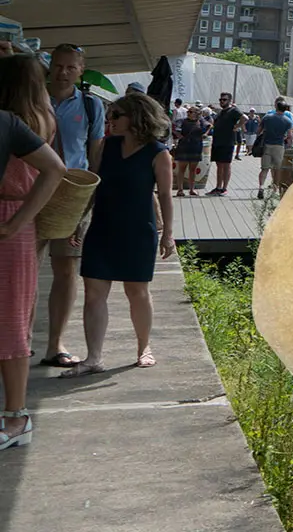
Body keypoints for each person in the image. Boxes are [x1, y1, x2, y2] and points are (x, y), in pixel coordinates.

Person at [63, 94, 173, 376]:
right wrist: (79, 219)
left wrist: (168, 235)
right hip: (102, 227)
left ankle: (144, 347)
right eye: (109, 115)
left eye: (116, 115)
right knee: (93, 293)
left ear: (136, 117)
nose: (109, 120)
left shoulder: (158, 153)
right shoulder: (106, 146)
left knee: (136, 292)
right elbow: (93, 185)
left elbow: (165, 195)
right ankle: (93, 358)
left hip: (138, 230)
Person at [0, 56, 71, 450]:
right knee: (15, 314)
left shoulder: (16, 122)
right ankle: (14, 413)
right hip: (21, 218)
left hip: (10, 214)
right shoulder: (41, 117)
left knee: (11, 319)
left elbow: (53, 169)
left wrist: (15, 221)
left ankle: (16, 416)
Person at [41, 44, 102, 370]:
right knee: (20, 269)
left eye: (70, 67)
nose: (63, 72)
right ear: (49, 66)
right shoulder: (32, 98)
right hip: (30, 190)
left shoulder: (91, 106)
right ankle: (16, 338)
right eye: (58, 65)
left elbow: (95, 154)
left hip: (71, 195)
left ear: (80, 71)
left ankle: (55, 345)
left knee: (66, 270)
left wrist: (88, 202)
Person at [255, 100, 293, 196]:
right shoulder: (288, 121)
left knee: (264, 169)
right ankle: (275, 190)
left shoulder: (267, 117)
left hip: (266, 145)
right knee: (277, 169)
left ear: (276, 107)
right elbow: (290, 136)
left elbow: (258, 131)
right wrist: (289, 145)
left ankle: (261, 187)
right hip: (279, 146)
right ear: (285, 109)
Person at [205, 92, 242, 195]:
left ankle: (224, 188)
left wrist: (237, 126)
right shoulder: (221, 112)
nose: (222, 101)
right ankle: (218, 187)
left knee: (226, 165)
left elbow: (245, 118)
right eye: (220, 99)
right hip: (217, 141)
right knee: (219, 165)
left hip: (227, 142)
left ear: (229, 101)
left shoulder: (233, 110)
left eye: (224, 99)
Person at [170, 105, 208, 196]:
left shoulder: (201, 121)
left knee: (193, 169)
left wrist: (205, 134)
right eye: (188, 111)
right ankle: (180, 190)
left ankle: (192, 189)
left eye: (190, 112)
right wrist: (179, 135)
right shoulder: (182, 121)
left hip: (196, 146)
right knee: (181, 169)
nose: (188, 113)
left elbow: (210, 125)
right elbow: (173, 127)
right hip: (184, 146)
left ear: (197, 113)